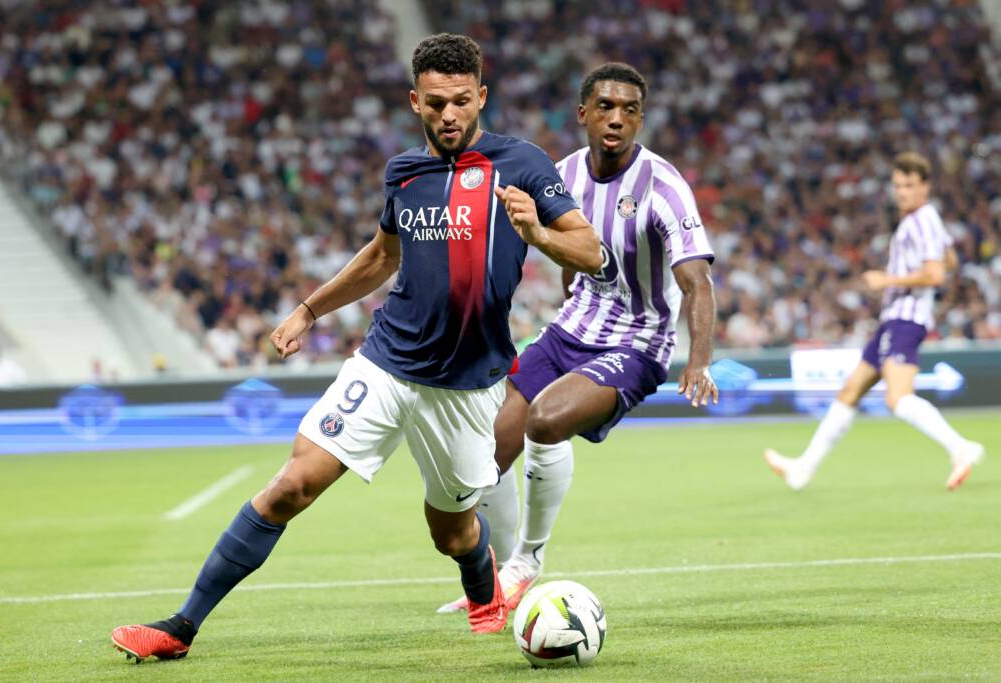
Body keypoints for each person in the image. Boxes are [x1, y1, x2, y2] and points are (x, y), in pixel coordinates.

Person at [110, 33, 602, 662]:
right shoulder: (404, 172)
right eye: (435, 103)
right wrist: (309, 309)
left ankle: (481, 587)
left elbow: (590, 251)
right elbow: (381, 257)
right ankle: (180, 628)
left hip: (465, 387)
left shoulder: (524, 164)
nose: (449, 114)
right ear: (415, 102)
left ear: (481, 96)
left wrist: (538, 232)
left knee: (452, 533)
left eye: (460, 101)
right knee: (292, 486)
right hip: (386, 362)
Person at [437, 63, 719, 614]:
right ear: (583, 114)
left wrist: (699, 361)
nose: (617, 119)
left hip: (636, 344)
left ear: (640, 120)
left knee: (546, 420)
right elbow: (566, 252)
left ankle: (527, 560)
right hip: (571, 329)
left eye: (630, 110)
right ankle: (494, 585)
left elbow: (697, 283)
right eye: (606, 107)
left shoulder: (663, 187)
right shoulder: (561, 176)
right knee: (483, 451)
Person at [764, 152, 984, 491]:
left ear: (925, 187)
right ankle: (803, 468)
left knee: (898, 398)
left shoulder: (922, 220)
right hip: (893, 319)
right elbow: (950, 260)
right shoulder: (925, 220)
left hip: (905, 318)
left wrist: (887, 280)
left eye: (909, 185)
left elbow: (936, 274)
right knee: (851, 390)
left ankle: (961, 447)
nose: (902, 192)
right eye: (898, 185)